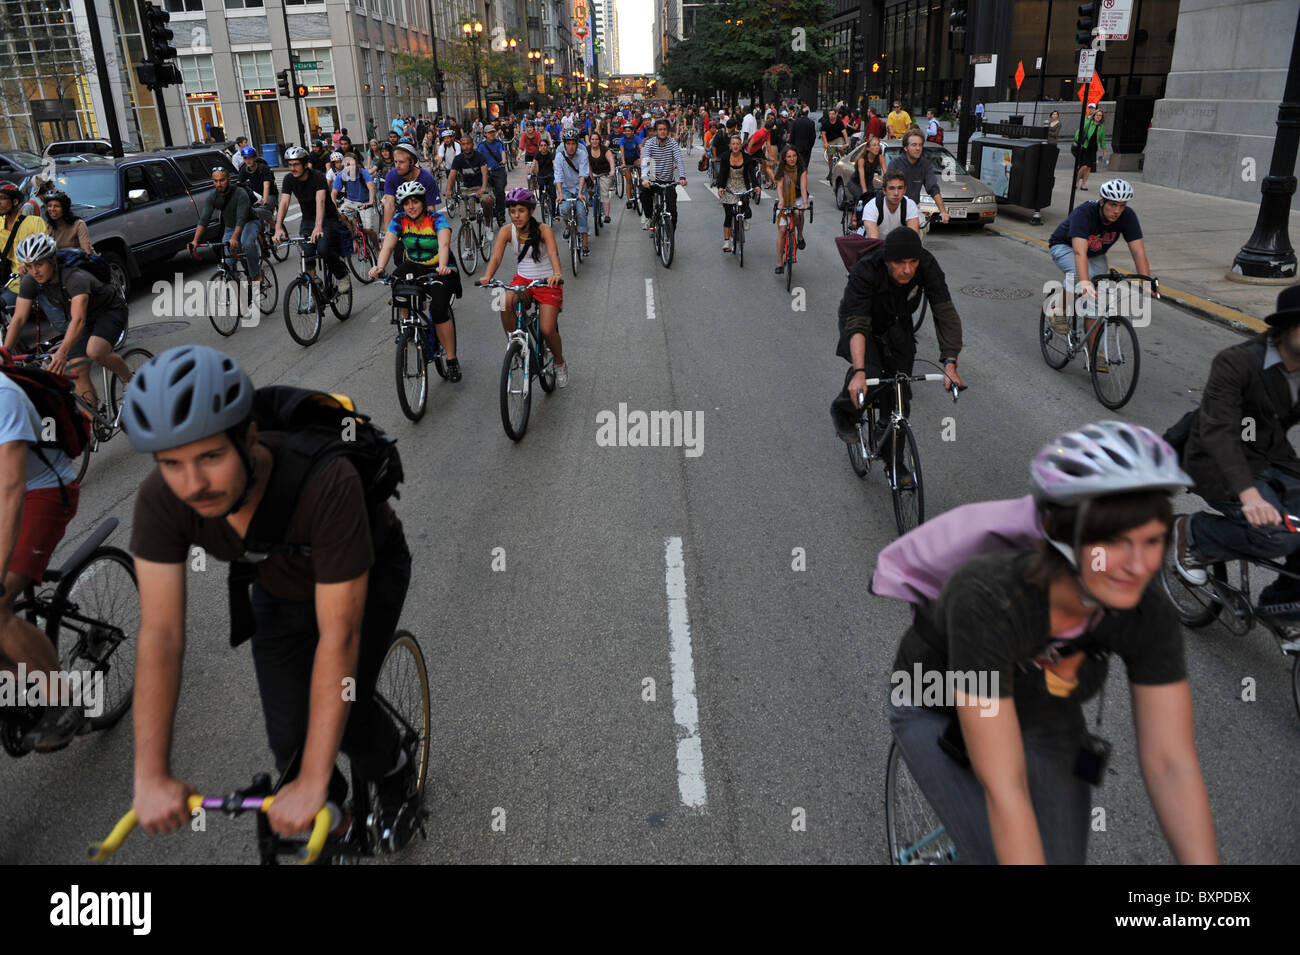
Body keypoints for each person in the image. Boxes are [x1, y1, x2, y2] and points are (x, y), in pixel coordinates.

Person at [878, 421, 1218, 864]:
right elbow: (1006, 789)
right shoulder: (987, 595)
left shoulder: (1144, 608)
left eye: (1152, 540)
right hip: (936, 700)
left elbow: (1171, 762)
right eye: (1113, 541)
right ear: (1063, 536)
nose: (1138, 565)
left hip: (1042, 706)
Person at [122, 345, 418, 845]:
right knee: (288, 741)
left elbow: (339, 637)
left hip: (368, 575)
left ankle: (395, 769)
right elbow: (162, 635)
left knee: (347, 710)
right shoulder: (161, 498)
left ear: (249, 437)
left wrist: (311, 780)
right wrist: (150, 775)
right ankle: (330, 811)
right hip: (278, 588)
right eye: (172, 463)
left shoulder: (325, 480)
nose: (192, 483)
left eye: (211, 456)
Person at [1173, 284, 1300, 620]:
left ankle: (1283, 606)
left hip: (1274, 460)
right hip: (1217, 463)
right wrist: (1249, 495)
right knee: (1278, 537)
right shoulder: (1237, 363)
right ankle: (1193, 533)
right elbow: (1218, 432)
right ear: (1287, 327)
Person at [829, 227, 964, 480]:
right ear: (887, 260)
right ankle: (844, 410)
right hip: (860, 321)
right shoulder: (867, 270)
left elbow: (944, 310)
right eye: (900, 263)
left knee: (900, 389)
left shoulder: (926, 264)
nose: (908, 269)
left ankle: (895, 463)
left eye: (912, 262)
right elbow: (858, 323)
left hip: (895, 321)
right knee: (869, 372)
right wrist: (859, 372)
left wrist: (950, 363)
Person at [0, 366, 82, 750]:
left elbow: (13, 490)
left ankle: (60, 704)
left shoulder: (4, 396)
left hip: (43, 491)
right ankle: (18, 691)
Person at [4, 233, 132, 408]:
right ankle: (94, 422)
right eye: (29, 266)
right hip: (81, 318)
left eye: (39, 264)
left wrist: (62, 352)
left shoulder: (74, 277)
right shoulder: (31, 281)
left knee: (96, 351)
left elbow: (78, 320)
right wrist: (5, 352)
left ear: (53, 260)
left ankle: (130, 381)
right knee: (77, 370)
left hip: (108, 310)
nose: (35, 271)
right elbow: (18, 319)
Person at [1045, 178, 1151, 360]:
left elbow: (1138, 252)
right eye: (1113, 205)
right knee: (1080, 278)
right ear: (1102, 202)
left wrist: (1147, 281)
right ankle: (1058, 310)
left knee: (1097, 298)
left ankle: (1094, 354)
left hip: (1095, 254)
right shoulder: (1084, 213)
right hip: (1065, 246)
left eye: (1122, 205)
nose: (1117, 211)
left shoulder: (1128, 216)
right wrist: (1085, 282)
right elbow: (1079, 253)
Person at [368, 181, 460, 382]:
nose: (411, 206)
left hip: (439, 267)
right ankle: (408, 324)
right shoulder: (399, 220)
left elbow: (444, 244)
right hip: (414, 264)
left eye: (415, 201)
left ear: (422, 201)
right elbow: (388, 246)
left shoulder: (436, 219)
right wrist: (380, 267)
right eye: (407, 202)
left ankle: (451, 359)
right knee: (398, 286)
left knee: (437, 310)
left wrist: (442, 266)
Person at [477, 188, 568, 388]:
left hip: (546, 282)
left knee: (547, 328)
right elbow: (497, 257)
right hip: (523, 280)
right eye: (513, 211)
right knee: (504, 301)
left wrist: (557, 274)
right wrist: (487, 276)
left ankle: (559, 362)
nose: (516, 216)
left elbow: (553, 253)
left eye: (521, 211)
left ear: (531, 211)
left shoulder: (544, 230)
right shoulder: (506, 231)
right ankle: (515, 347)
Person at [272, 146, 351, 295]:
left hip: (328, 219)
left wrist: (318, 227)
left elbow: (320, 202)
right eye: (289, 165)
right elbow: (284, 203)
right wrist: (278, 227)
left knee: (324, 249)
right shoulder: (289, 179)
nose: (292, 168)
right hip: (308, 220)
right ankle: (314, 284)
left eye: (295, 164)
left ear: (305, 164)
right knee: (306, 252)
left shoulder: (318, 177)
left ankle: (342, 275)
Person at [189, 166, 262, 285]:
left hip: (249, 223)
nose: (219, 184)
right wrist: (195, 241)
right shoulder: (213, 196)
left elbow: (241, 218)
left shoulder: (240, 193)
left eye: (222, 180)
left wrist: (234, 238)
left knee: (247, 243)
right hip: (230, 227)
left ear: (228, 179)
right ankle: (234, 280)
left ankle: (256, 275)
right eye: (215, 181)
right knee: (228, 261)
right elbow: (204, 219)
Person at [0, 183, 49, 313]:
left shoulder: (34, 222)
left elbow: (44, 250)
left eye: (2, 198)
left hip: (38, 281)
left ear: (15, 201)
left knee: (61, 323)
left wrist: (27, 264)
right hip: (14, 284)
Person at [887, 131, 950, 224]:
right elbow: (888, 188)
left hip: (914, 207)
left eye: (920, 145)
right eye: (914, 145)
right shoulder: (895, 163)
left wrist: (943, 211)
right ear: (906, 147)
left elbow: (933, 187)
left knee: (919, 229)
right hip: (894, 207)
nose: (918, 148)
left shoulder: (925, 165)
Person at [380, 142, 440, 236]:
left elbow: (431, 210)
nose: (397, 166)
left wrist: (430, 232)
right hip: (402, 221)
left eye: (401, 162)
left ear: (411, 162)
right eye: (396, 162)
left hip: (422, 221)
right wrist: (387, 233)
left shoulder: (427, 178)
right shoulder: (391, 176)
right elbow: (389, 205)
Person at [638, 118, 687, 232]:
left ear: (668, 131)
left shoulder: (672, 143)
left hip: (668, 180)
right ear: (656, 131)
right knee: (644, 195)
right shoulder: (650, 143)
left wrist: (682, 177)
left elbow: (679, 160)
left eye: (665, 129)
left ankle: (670, 235)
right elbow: (645, 161)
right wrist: (645, 178)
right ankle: (649, 217)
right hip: (652, 178)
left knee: (672, 210)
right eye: (660, 129)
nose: (663, 132)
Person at [715, 133, 760, 253]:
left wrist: (756, 186)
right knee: (729, 215)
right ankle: (726, 242)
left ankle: (743, 218)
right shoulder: (725, 157)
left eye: (738, 144)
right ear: (730, 145)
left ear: (741, 145)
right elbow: (722, 174)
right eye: (733, 144)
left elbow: (751, 174)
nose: (735, 146)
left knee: (744, 205)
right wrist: (720, 187)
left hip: (742, 185)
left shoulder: (747, 158)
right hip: (729, 186)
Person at [555, 131, 591, 258]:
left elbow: (583, 174)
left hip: (579, 187)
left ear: (577, 144)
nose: (571, 146)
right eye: (568, 143)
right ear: (565, 145)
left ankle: (585, 243)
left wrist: (580, 193)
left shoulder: (582, 155)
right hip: (565, 188)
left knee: (581, 212)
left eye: (573, 144)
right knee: (564, 210)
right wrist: (560, 194)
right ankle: (569, 226)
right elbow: (558, 176)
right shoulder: (559, 157)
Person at [772, 145, 808, 272]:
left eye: (794, 156)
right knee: (782, 231)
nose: (792, 159)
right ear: (784, 159)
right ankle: (779, 262)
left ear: (797, 157)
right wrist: (781, 201)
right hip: (785, 199)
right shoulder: (781, 169)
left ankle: (800, 235)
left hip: (798, 198)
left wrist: (805, 202)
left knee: (798, 213)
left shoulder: (802, 169)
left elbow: (804, 188)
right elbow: (780, 187)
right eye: (789, 156)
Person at [333, 155, 378, 252]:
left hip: (364, 202)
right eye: (347, 165)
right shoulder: (341, 175)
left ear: (357, 164)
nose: (350, 167)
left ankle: (377, 248)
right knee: (341, 215)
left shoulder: (363, 173)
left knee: (368, 229)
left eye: (352, 164)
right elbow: (333, 194)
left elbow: (371, 187)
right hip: (350, 202)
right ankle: (353, 237)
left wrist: (370, 202)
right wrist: (334, 208)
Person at [858, 170, 921, 239]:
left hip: (897, 245)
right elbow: (873, 241)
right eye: (892, 188)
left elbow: (913, 239)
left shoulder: (909, 205)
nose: (896, 193)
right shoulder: (872, 206)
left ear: (904, 190)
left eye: (900, 188)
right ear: (884, 190)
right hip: (873, 245)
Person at [449, 134, 492, 224]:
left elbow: (485, 173)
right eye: (463, 144)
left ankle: (488, 225)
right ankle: (466, 234)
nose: (466, 146)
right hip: (466, 189)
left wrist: (483, 188)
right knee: (463, 216)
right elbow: (452, 175)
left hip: (480, 187)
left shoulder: (480, 157)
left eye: (468, 144)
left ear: (472, 144)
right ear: (461, 146)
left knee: (487, 201)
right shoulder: (458, 159)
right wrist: (448, 190)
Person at [848, 135, 886, 225]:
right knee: (861, 197)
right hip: (855, 183)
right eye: (874, 145)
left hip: (868, 183)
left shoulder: (880, 157)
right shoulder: (862, 160)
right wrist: (865, 193)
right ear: (868, 148)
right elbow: (862, 177)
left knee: (874, 200)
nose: (877, 147)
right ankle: (854, 218)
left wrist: (889, 187)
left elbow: (886, 173)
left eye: (878, 145)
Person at [477, 125, 508, 227]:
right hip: (486, 172)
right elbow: (477, 156)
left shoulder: (499, 143)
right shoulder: (481, 145)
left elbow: (502, 152)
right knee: (484, 192)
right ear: (485, 134)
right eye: (489, 132)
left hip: (498, 170)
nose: (492, 134)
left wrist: (504, 160)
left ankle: (501, 214)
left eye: (493, 132)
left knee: (500, 191)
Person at [1074, 107, 1107, 190]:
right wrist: (1079, 141)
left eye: (1100, 115)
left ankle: (1083, 185)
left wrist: (1104, 149)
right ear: (1094, 115)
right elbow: (1078, 133)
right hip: (1085, 147)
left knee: (1089, 167)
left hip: (1093, 149)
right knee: (1084, 166)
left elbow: (1102, 139)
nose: (1098, 116)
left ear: (1101, 117)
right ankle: (1076, 181)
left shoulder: (1101, 127)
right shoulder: (1088, 123)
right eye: (1097, 115)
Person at [586, 132, 614, 224]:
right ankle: (591, 199)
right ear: (590, 141)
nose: (594, 141)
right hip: (592, 172)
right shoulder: (587, 150)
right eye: (592, 139)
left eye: (596, 139)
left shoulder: (605, 150)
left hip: (604, 173)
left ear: (600, 140)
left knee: (604, 193)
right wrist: (591, 178)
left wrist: (612, 171)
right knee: (590, 189)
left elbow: (611, 161)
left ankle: (606, 215)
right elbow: (588, 165)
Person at [615, 123, 642, 210]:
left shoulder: (637, 138)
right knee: (629, 180)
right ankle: (629, 200)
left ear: (632, 131)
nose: (627, 132)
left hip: (635, 158)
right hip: (626, 160)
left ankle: (641, 187)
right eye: (625, 131)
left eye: (629, 131)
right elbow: (622, 153)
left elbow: (641, 148)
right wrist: (623, 163)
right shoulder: (622, 140)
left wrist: (642, 159)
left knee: (641, 172)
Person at [819, 107, 849, 183]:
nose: (831, 115)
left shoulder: (839, 122)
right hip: (830, 141)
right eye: (830, 114)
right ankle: (830, 171)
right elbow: (823, 133)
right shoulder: (826, 123)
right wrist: (825, 143)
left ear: (836, 115)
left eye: (833, 114)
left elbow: (844, 132)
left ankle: (843, 158)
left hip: (838, 138)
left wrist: (847, 142)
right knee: (830, 157)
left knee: (841, 147)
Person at [787, 107, 817, 171]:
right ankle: (804, 173)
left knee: (797, 161)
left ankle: (798, 175)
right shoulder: (811, 122)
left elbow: (792, 134)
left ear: (800, 113)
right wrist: (810, 145)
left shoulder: (796, 122)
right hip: (807, 146)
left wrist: (791, 144)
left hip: (797, 145)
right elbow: (813, 136)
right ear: (807, 114)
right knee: (805, 162)